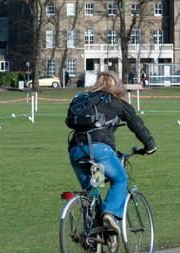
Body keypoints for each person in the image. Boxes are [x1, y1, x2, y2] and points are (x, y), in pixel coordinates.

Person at [66, 71, 156, 234]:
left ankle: (93, 235)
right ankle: (110, 212)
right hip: (100, 151)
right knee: (120, 180)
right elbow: (136, 124)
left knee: (93, 188)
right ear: (116, 85)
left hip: (76, 149)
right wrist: (149, 145)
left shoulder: (84, 99)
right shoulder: (115, 101)